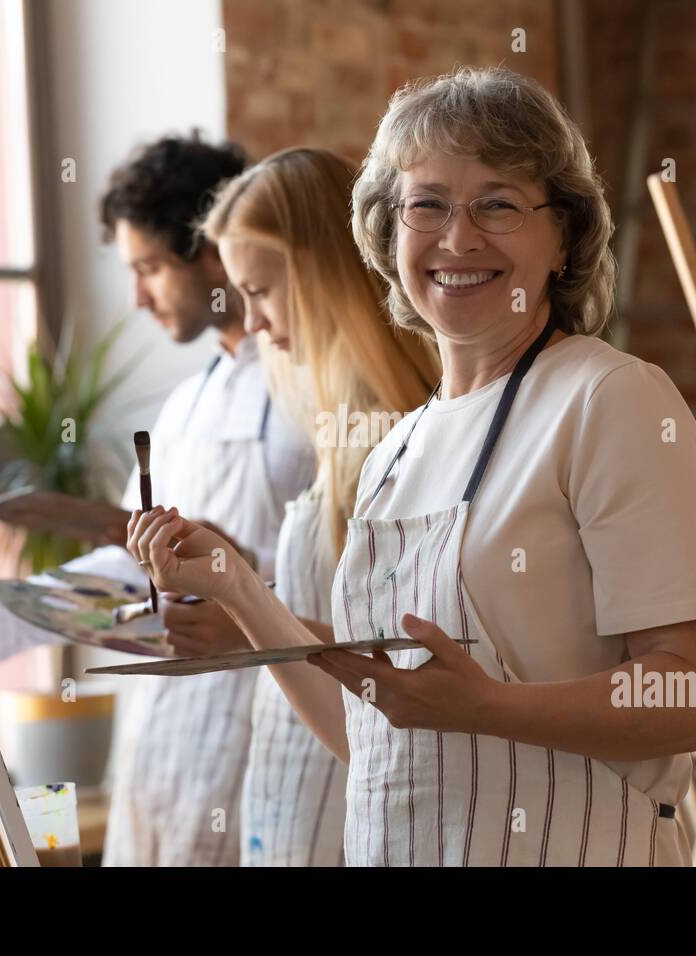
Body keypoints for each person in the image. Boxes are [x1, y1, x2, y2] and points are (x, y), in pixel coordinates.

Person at [128, 67, 696, 866]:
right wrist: (237, 586)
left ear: (563, 239)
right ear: (387, 233)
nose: (458, 238)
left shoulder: (610, 400)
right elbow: (373, 735)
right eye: (427, 205)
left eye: (500, 204)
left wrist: (489, 706)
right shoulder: (395, 448)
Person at [0, 137, 315, 865]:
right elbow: (129, 577)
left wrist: (247, 594)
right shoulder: (185, 406)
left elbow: (348, 577)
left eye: (150, 269)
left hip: (269, 745)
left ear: (215, 255)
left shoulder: (317, 397)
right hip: (161, 747)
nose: (138, 298)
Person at [199, 146, 439, 865]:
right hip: (291, 805)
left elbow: (400, 673)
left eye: (261, 292)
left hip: (347, 816)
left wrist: (244, 611)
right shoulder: (339, 432)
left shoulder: (399, 440)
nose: (254, 325)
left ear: (323, 276)